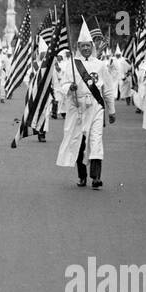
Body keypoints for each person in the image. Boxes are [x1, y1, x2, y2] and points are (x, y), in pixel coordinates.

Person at [55, 19, 116, 188]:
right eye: (82, 46)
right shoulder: (72, 66)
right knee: (79, 142)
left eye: (88, 45)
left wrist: (111, 111)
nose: (86, 48)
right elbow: (63, 85)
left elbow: (108, 90)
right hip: (77, 107)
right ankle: (82, 176)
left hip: (95, 107)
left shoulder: (100, 65)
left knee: (96, 140)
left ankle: (96, 177)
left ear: (92, 46)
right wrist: (70, 86)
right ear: (78, 47)